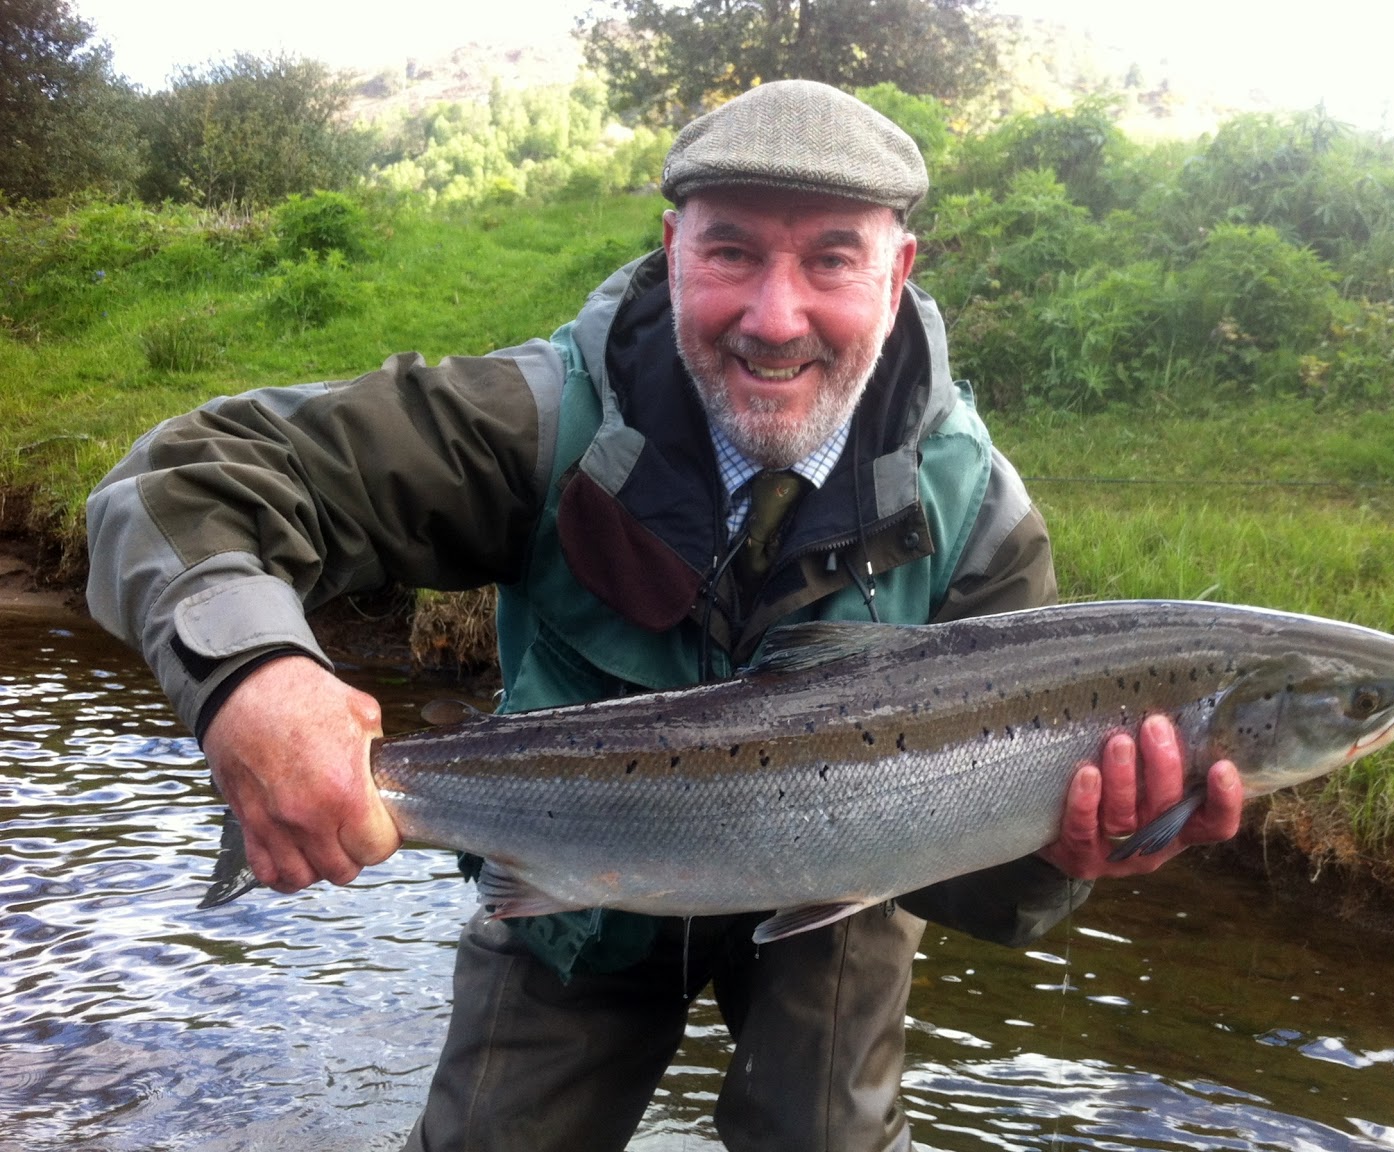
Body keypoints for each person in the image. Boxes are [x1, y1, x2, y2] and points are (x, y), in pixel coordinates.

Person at [86, 80, 1242, 1151]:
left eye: (830, 260)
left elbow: (982, 877)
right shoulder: (538, 420)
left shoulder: (979, 519)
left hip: (844, 890)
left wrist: (1067, 852)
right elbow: (182, 484)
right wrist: (252, 676)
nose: (775, 319)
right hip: (569, 879)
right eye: (731, 251)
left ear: (896, 275)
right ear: (672, 250)